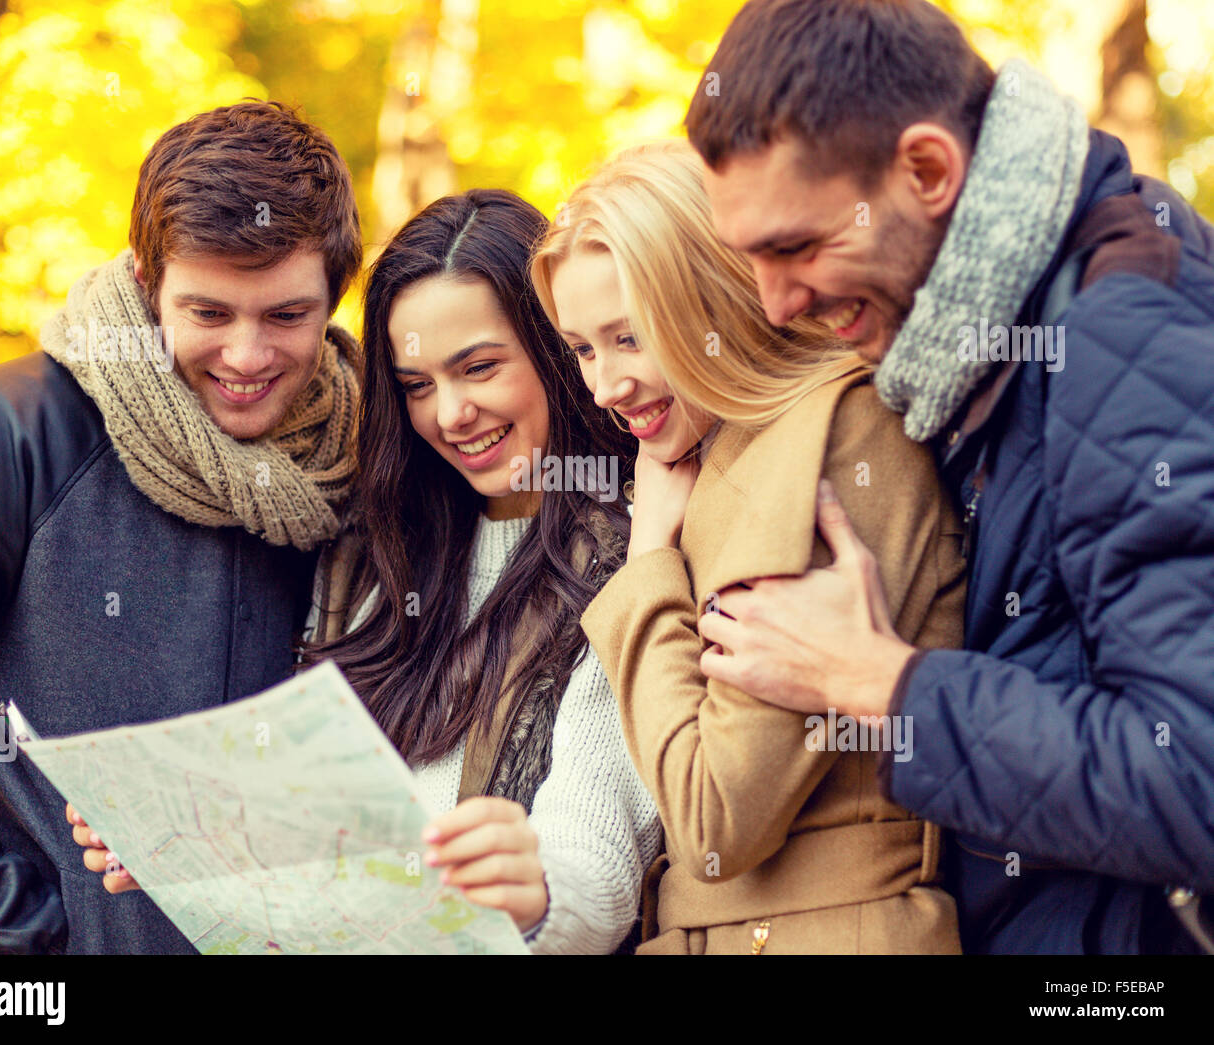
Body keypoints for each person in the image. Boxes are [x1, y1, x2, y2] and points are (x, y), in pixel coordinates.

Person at [684, 0, 1214, 953]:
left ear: (928, 169)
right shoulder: (983, 343)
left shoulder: (1120, 329)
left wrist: (877, 682)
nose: (776, 301)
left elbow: (1194, 778)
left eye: (798, 247)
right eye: (750, 260)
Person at [75, 188, 663, 954]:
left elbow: (600, 852)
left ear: (557, 349)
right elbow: (325, 866)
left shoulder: (635, 550)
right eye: (417, 385)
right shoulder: (374, 557)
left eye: (479, 367)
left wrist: (536, 896)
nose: (449, 414)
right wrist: (191, 852)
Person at [0, 100, 363, 954]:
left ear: (334, 298)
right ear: (148, 283)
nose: (246, 355)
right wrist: (32, 943)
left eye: (285, 316)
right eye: (208, 313)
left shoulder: (366, 463)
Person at [531, 140, 965, 954]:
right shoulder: (721, 452)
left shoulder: (834, 437)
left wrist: (649, 560)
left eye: (630, 337)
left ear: (711, 298)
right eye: (583, 348)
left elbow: (715, 818)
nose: (603, 386)